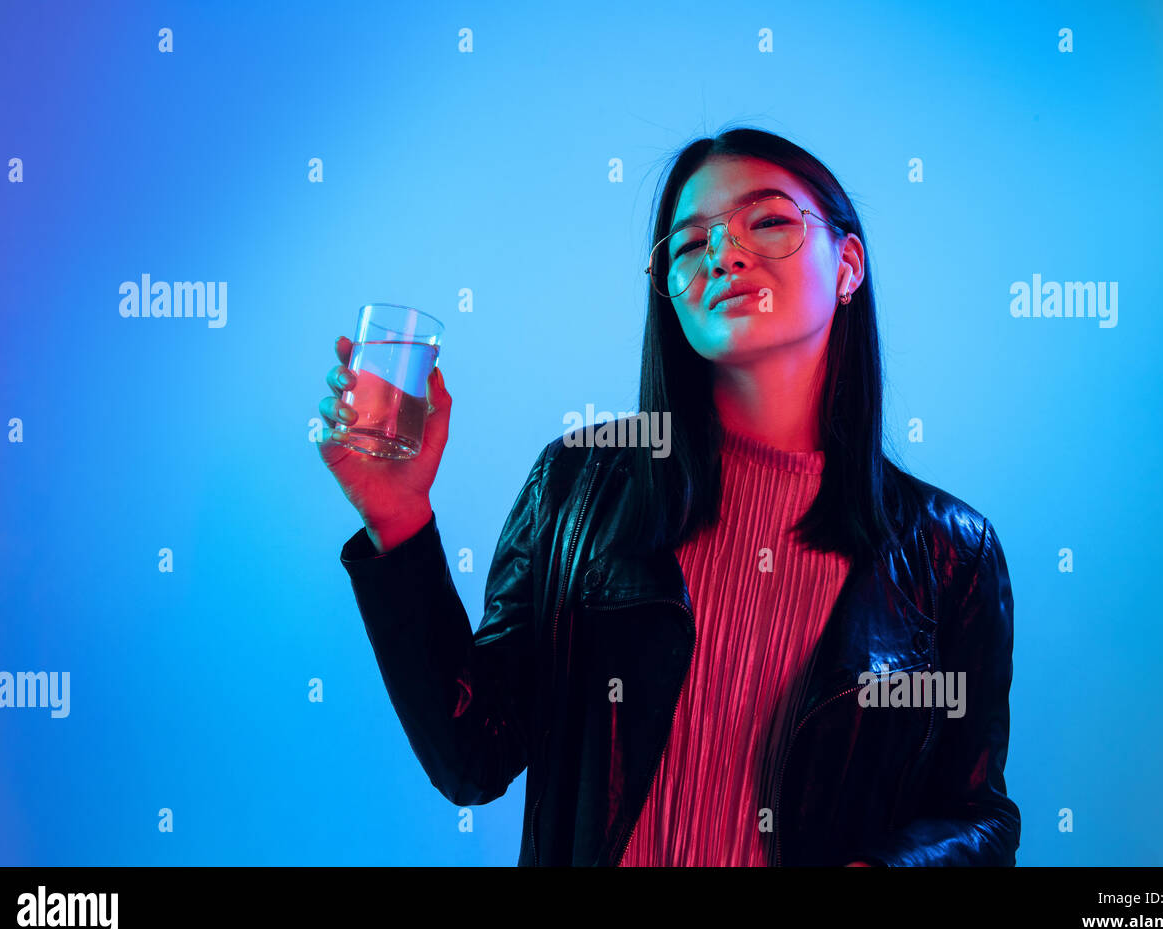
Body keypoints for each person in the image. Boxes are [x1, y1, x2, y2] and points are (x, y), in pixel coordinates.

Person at [317, 126, 1019, 867]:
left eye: (769, 220)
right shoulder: (577, 484)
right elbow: (472, 756)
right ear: (671, 299)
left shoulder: (950, 552)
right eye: (689, 245)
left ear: (848, 265)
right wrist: (398, 518)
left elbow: (978, 815)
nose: (723, 253)